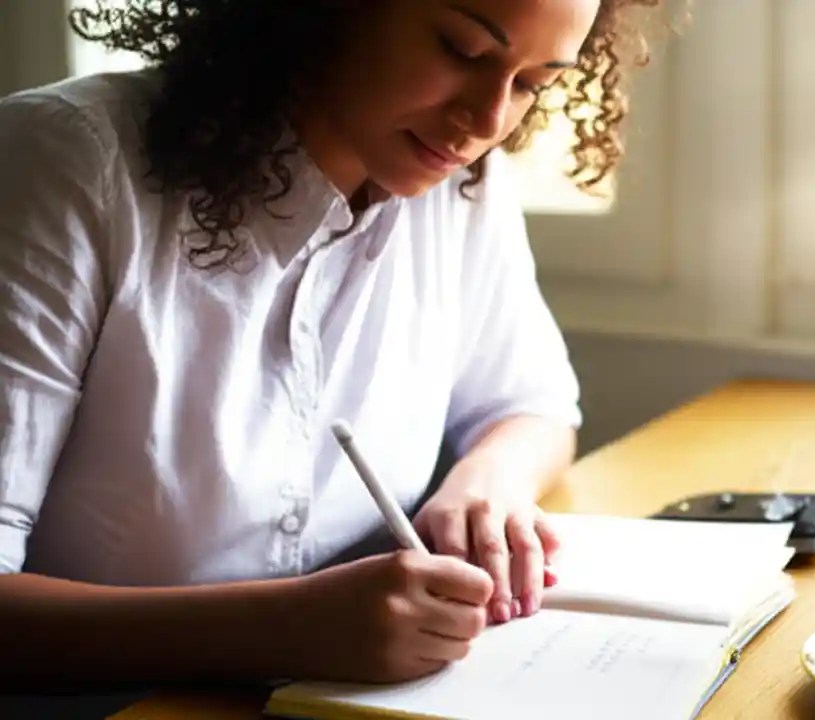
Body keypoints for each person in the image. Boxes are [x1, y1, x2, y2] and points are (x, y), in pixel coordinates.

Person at [0, 0, 664, 684]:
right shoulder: (66, 164)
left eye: (532, 84)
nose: (488, 122)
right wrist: (275, 631)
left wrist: (487, 486)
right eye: (462, 51)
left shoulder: (457, 179)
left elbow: (533, 406)